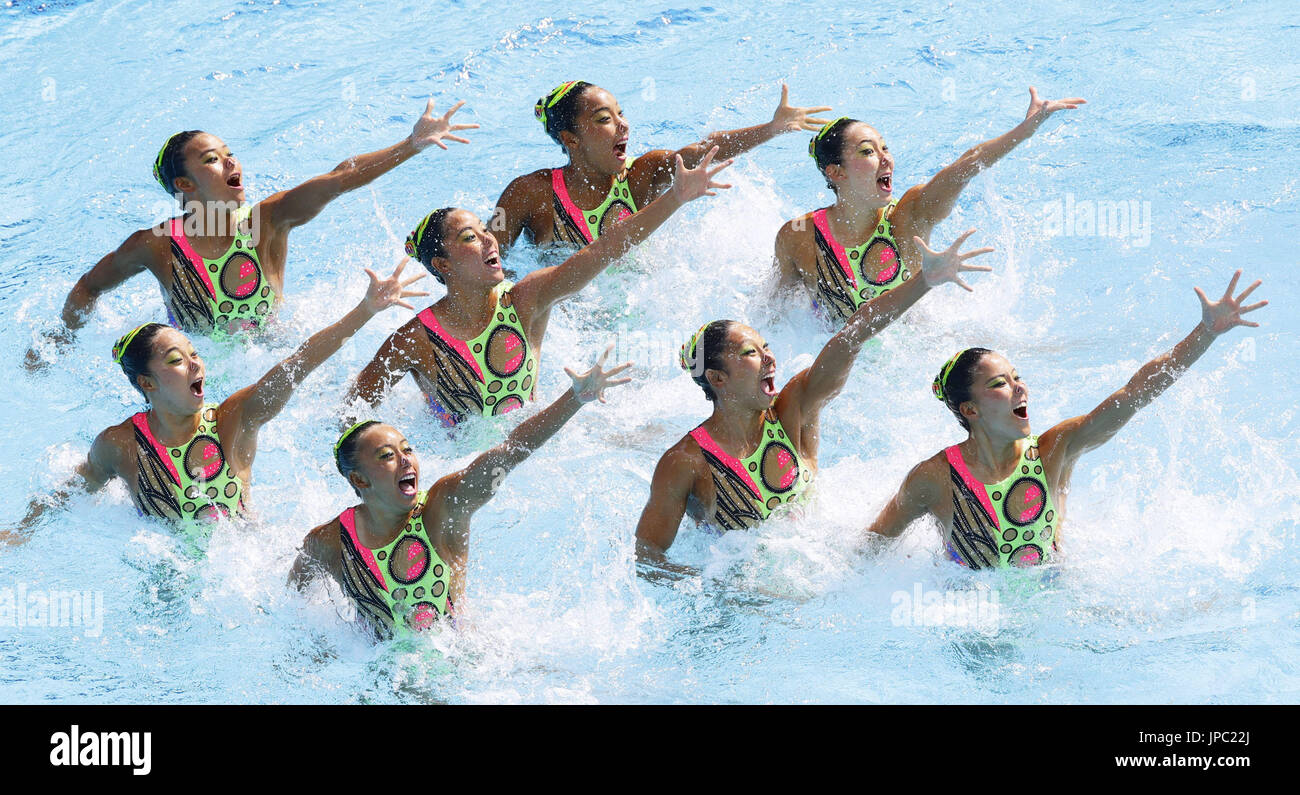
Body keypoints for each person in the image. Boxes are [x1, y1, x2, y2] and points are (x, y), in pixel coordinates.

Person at [2, 261, 427, 547]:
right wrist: (20, 533)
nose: (195, 364)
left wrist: (365, 310)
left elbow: (298, 364)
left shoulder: (233, 421)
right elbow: (74, 489)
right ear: (146, 383)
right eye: (176, 360)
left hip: (243, 559)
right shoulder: (119, 445)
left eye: (194, 354)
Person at [864, 271, 1266, 569]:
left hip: (1053, 601)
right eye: (1001, 384)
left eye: (1018, 377)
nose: (1020, 388)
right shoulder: (933, 479)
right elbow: (873, 548)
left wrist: (1205, 333)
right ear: (970, 410)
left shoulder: (1054, 450)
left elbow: (1133, 395)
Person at [27, 97, 474, 361]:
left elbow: (340, 178)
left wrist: (411, 144)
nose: (231, 163)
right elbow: (89, 287)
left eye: (230, 153)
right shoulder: (155, 247)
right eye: (212, 159)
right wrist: (63, 337)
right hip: (201, 362)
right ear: (185, 185)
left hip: (276, 348)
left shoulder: (267, 221)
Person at [635, 231, 994, 558]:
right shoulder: (684, 463)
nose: (769, 358)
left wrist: (923, 281)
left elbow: (852, 335)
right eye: (750, 353)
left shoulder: (794, 410)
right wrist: (725, 591)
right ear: (717, 378)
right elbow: (649, 556)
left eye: (766, 347)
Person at [346, 147, 732, 427]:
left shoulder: (526, 299)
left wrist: (675, 198)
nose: (490, 240)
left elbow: (604, 249)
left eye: (485, 231)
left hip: (529, 442)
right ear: (443, 265)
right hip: (457, 458)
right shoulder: (415, 340)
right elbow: (351, 414)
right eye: (470, 238)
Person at [290, 346, 631, 639]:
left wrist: (574, 399)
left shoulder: (444, 509)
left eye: (407, 449)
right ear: (359, 480)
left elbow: (509, 452)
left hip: (460, 660)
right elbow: (292, 605)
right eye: (386, 456)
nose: (406, 460)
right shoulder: (329, 541)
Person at [775, 87, 1084, 325]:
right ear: (836, 172)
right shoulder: (798, 237)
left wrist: (1024, 130)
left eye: (885, 147)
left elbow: (965, 166)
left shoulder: (910, 217)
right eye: (868, 151)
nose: (886, 158)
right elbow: (775, 312)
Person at [492, 81, 829, 253]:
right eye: (605, 119)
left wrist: (770, 129)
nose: (623, 125)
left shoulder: (641, 175)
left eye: (621, 114)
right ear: (571, 139)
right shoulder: (531, 193)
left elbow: (702, 150)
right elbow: (487, 259)